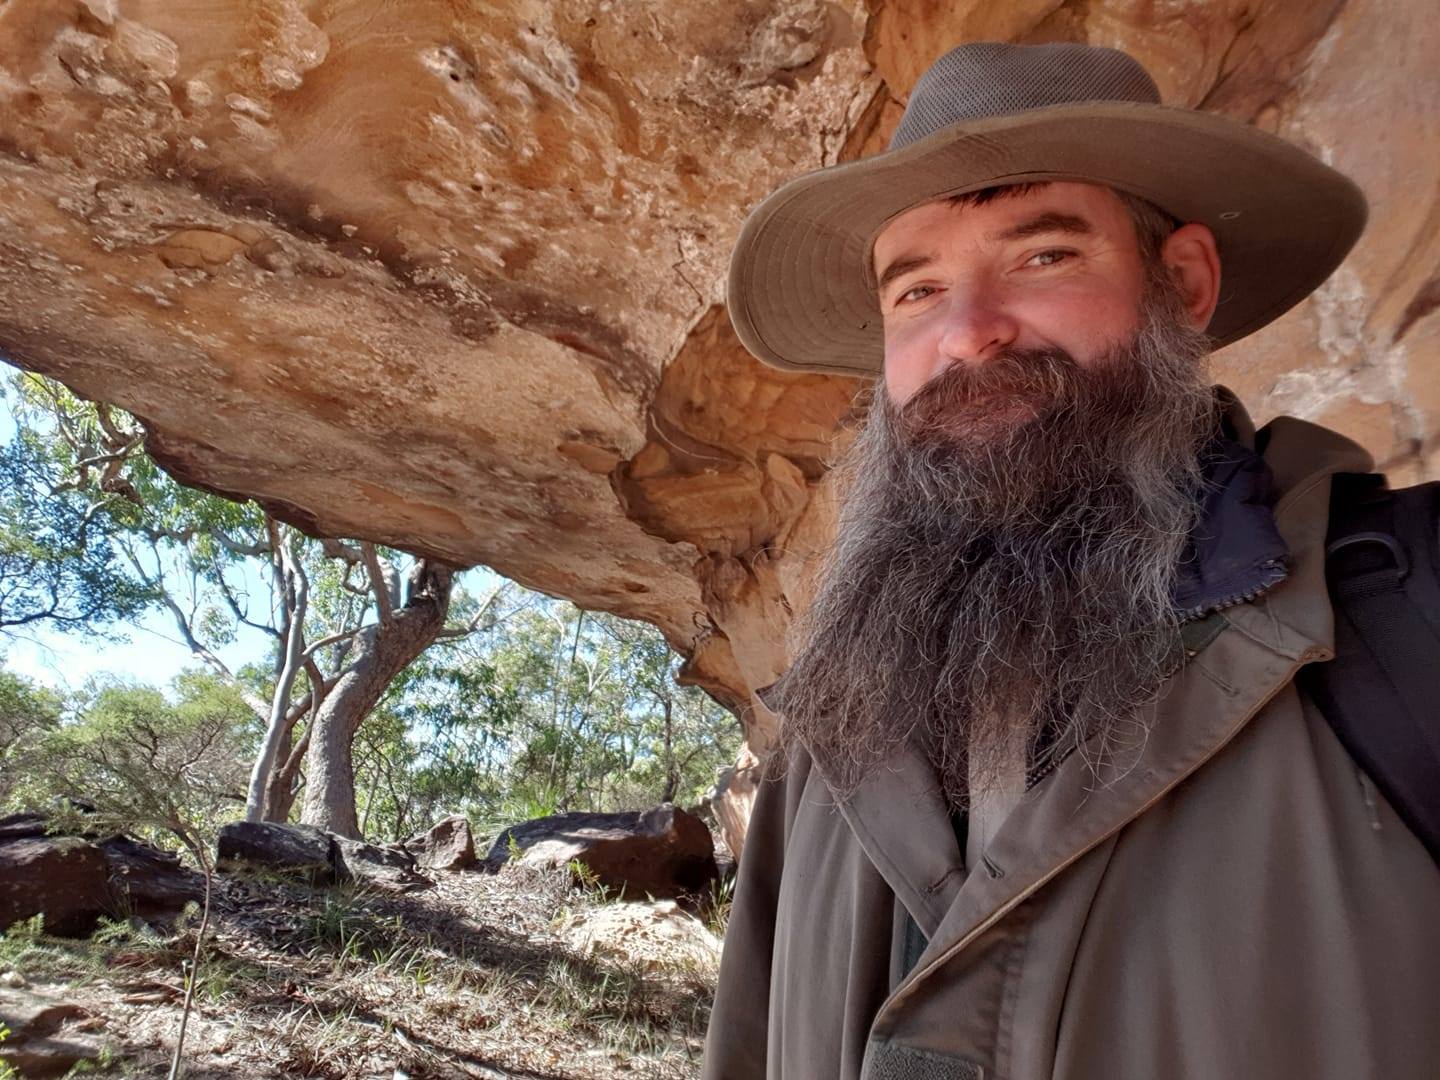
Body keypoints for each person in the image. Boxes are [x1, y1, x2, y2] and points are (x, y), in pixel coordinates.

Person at [702, 41, 1440, 1080]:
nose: (968, 335)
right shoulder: (830, 732)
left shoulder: (1408, 620)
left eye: (1044, 257)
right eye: (915, 292)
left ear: (1182, 283)